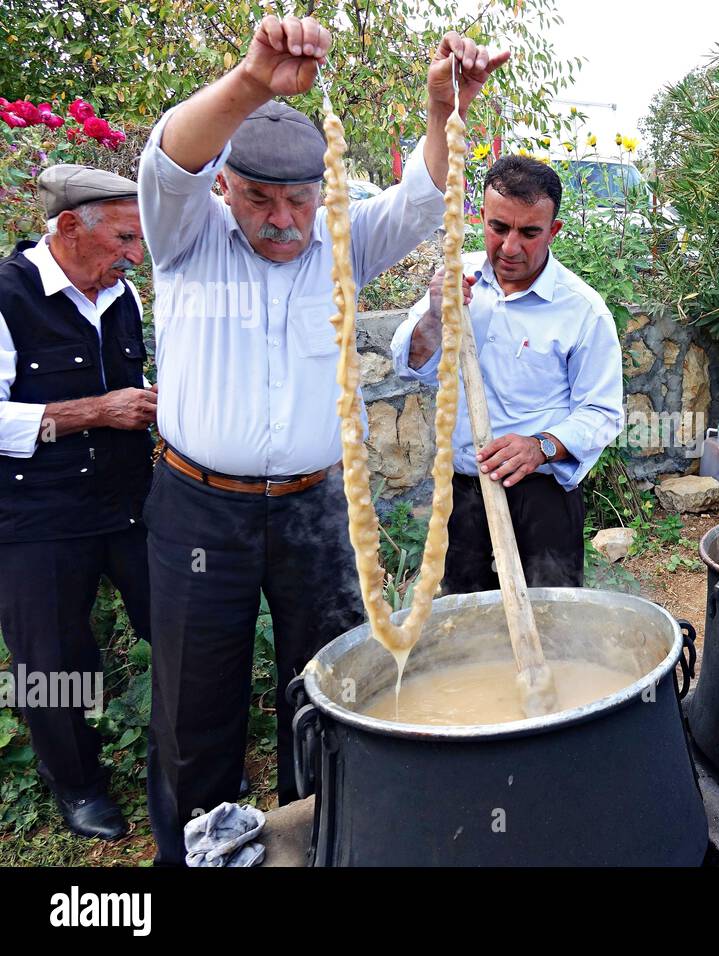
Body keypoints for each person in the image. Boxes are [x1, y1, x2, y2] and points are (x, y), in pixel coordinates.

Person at [136, 13, 508, 864]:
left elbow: (421, 195)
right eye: (261, 199)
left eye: (299, 200)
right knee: (196, 704)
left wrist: (441, 108)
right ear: (226, 187)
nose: (282, 220)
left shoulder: (341, 243)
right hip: (202, 512)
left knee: (331, 682)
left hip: (318, 507)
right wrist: (251, 83)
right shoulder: (184, 236)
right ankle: (195, 854)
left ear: (322, 196)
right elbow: (169, 157)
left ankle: (326, 833)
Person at [0, 165, 154, 839]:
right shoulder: (8, 297)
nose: (134, 256)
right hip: (37, 514)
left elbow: (132, 380)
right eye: (125, 238)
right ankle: (78, 784)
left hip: (130, 501)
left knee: (179, 626)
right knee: (50, 659)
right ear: (70, 226)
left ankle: (190, 757)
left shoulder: (123, 297)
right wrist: (95, 411)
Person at [390, 155, 623, 592]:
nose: (510, 247)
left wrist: (540, 446)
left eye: (529, 232)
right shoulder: (458, 284)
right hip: (463, 490)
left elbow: (602, 412)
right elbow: (410, 366)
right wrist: (437, 316)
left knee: (552, 616)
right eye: (498, 228)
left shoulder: (582, 309)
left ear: (553, 231)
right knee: (465, 624)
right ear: (482, 217)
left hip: (542, 493)